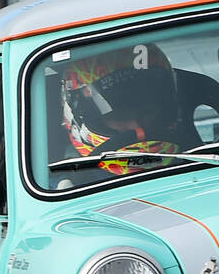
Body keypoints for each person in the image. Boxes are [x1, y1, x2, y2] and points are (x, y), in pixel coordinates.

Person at [59, 45, 192, 179]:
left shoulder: (202, 158)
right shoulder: (64, 186)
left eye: (147, 111)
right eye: (120, 117)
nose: (137, 127)